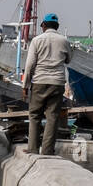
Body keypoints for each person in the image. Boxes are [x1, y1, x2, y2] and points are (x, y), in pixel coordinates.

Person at [22, 12, 70, 155]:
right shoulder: (64, 41)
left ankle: (32, 149)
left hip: (39, 82)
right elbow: (68, 60)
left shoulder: (37, 40)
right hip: (57, 83)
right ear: (57, 26)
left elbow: (30, 64)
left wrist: (25, 85)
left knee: (35, 115)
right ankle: (48, 151)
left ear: (43, 25)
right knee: (52, 117)